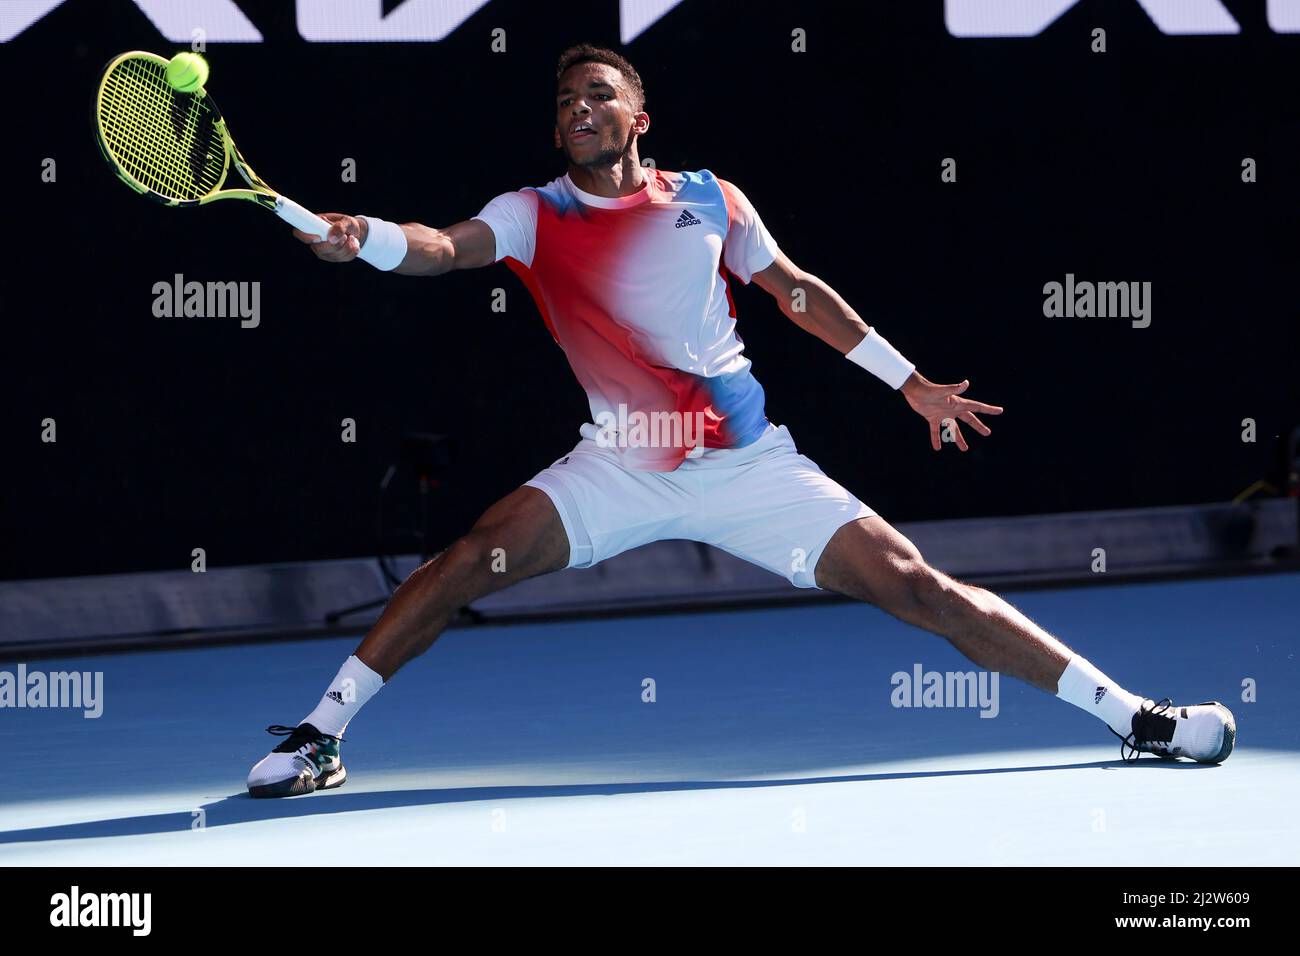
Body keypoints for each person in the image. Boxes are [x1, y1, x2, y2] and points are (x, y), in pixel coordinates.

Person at [247, 44, 1234, 798]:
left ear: (638, 114)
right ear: (558, 135)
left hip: (750, 463)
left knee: (916, 586)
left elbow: (797, 293)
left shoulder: (712, 199)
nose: (580, 108)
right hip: (619, 463)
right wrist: (365, 237)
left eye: (598, 94)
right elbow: (440, 247)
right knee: (468, 557)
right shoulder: (531, 212)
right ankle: (318, 735)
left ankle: (1135, 716)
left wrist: (909, 383)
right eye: (565, 102)